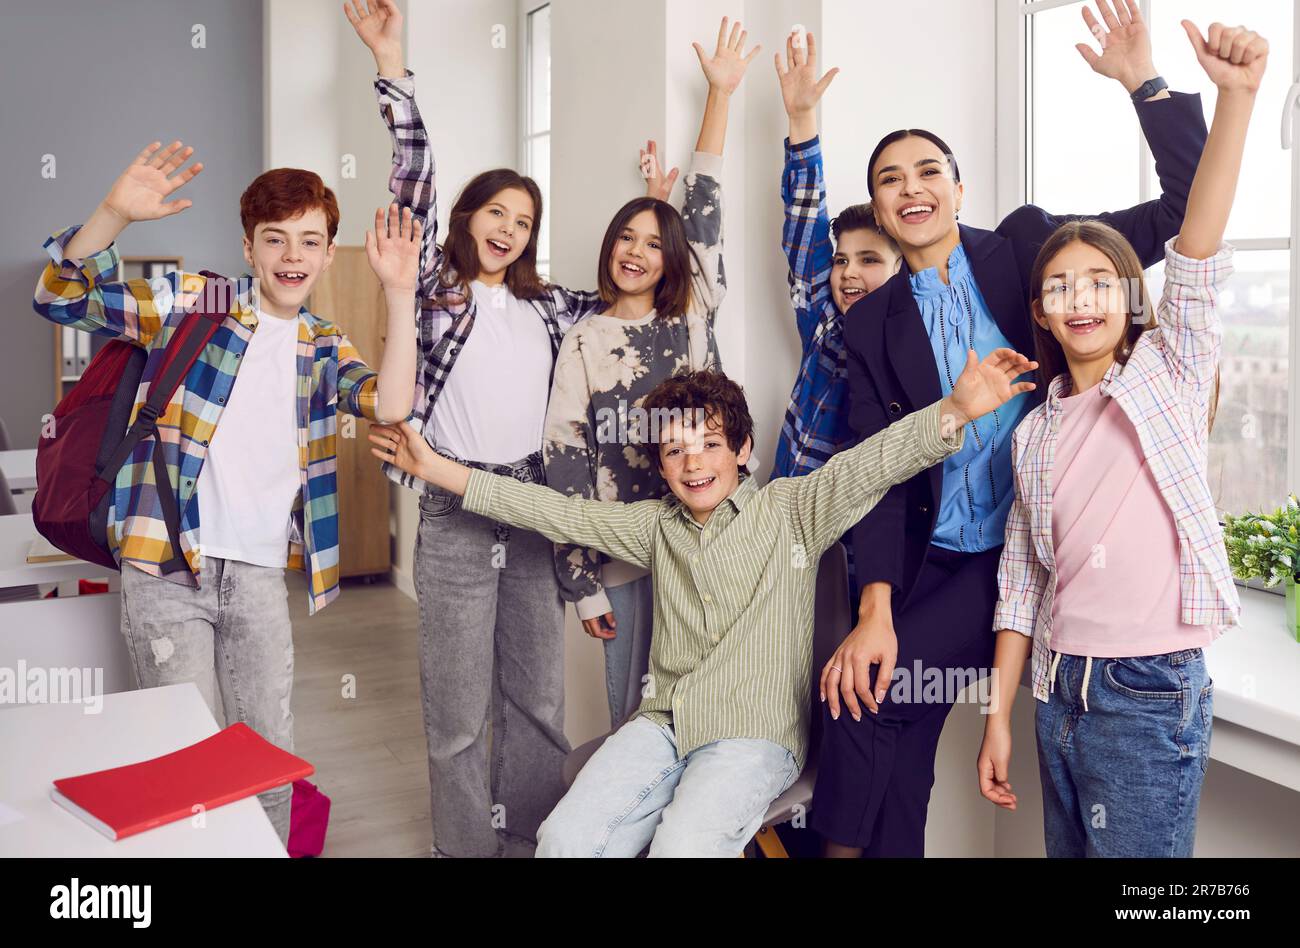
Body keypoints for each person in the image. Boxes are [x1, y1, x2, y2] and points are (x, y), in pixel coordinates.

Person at [369, 347, 1037, 857]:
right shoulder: (652, 527)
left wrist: (956, 409)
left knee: (682, 850)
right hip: (662, 727)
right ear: (660, 467)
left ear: (742, 450)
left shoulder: (791, 510)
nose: (693, 463)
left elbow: (874, 463)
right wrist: (439, 471)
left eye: (710, 444)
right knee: (563, 843)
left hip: (751, 740)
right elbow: (550, 509)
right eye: (675, 450)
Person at [814, 0, 1210, 857]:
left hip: (1022, 561)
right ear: (878, 208)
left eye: (928, 171)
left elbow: (1182, 210)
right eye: (890, 178)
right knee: (883, 715)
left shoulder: (1028, 248)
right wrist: (874, 604)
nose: (911, 187)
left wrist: (1145, 82)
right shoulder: (871, 321)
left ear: (959, 188)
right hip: (933, 561)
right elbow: (873, 470)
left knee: (870, 702)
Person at [33, 142, 421, 845]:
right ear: (249, 246)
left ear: (330, 254)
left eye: (310, 240)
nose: (291, 254)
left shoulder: (324, 344)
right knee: (182, 757)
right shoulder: (197, 301)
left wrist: (400, 291)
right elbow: (61, 297)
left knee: (267, 757)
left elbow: (389, 403)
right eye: (275, 239)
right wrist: (115, 213)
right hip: (165, 565)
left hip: (259, 575)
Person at [978, 20, 1263, 858]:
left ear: (1131, 298)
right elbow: (1022, 585)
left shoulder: (1166, 374)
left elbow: (1198, 245)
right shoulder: (1033, 436)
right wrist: (999, 717)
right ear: (1039, 312)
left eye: (1100, 280)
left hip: (1148, 693)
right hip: (1056, 692)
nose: (1080, 297)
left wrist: (1230, 97)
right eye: (1059, 285)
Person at [542, 16, 754, 730]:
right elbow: (565, 462)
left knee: (713, 706)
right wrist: (580, 582)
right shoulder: (584, 340)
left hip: (711, 544)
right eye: (624, 238)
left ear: (671, 258)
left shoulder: (692, 312)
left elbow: (706, 204)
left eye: (651, 241)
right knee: (637, 719)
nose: (635, 251)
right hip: (625, 559)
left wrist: (718, 95)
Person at [771, 28, 901, 482]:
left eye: (869, 260)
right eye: (842, 260)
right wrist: (801, 117)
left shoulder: (917, 339)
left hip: (866, 538)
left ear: (901, 269)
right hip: (791, 528)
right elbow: (805, 219)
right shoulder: (824, 322)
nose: (848, 273)